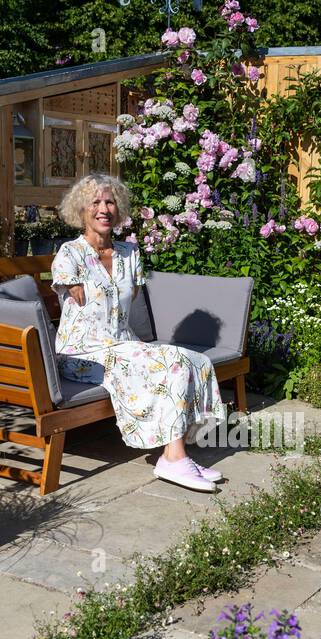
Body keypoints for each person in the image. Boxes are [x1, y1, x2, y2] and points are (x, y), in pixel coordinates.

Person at [50, 173, 227, 492]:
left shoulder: (130, 254)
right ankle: (174, 459)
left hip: (122, 344)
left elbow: (126, 303)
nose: (104, 209)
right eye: (95, 202)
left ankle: (175, 451)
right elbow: (79, 300)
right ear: (81, 210)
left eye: (110, 202)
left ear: (118, 209)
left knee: (196, 360)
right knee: (172, 363)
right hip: (83, 354)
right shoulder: (69, 254)